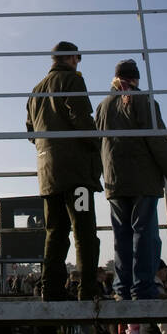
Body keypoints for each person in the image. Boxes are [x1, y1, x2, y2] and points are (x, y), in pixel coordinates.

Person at [94, 59, 167, 302]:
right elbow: (159, 140)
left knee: (121, 235)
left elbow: (96, 143)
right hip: (143, 180)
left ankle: (121, 288)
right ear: (136, 79)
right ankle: (142, 288)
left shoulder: (103, 106)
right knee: (145, 234)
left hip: (114, 182)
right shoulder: (144, 101)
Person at [26, 41, 102, 302]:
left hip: (48, 174)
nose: (78, 63)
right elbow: (80, 118)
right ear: (70, 58)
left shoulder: (35, 91)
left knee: (55, 232)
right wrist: (98, 143)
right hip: (77, 174)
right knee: (84, 231)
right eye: (77, 58)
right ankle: (88, 290)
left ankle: (51, 290)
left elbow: (30, 132)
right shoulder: (72, 81)